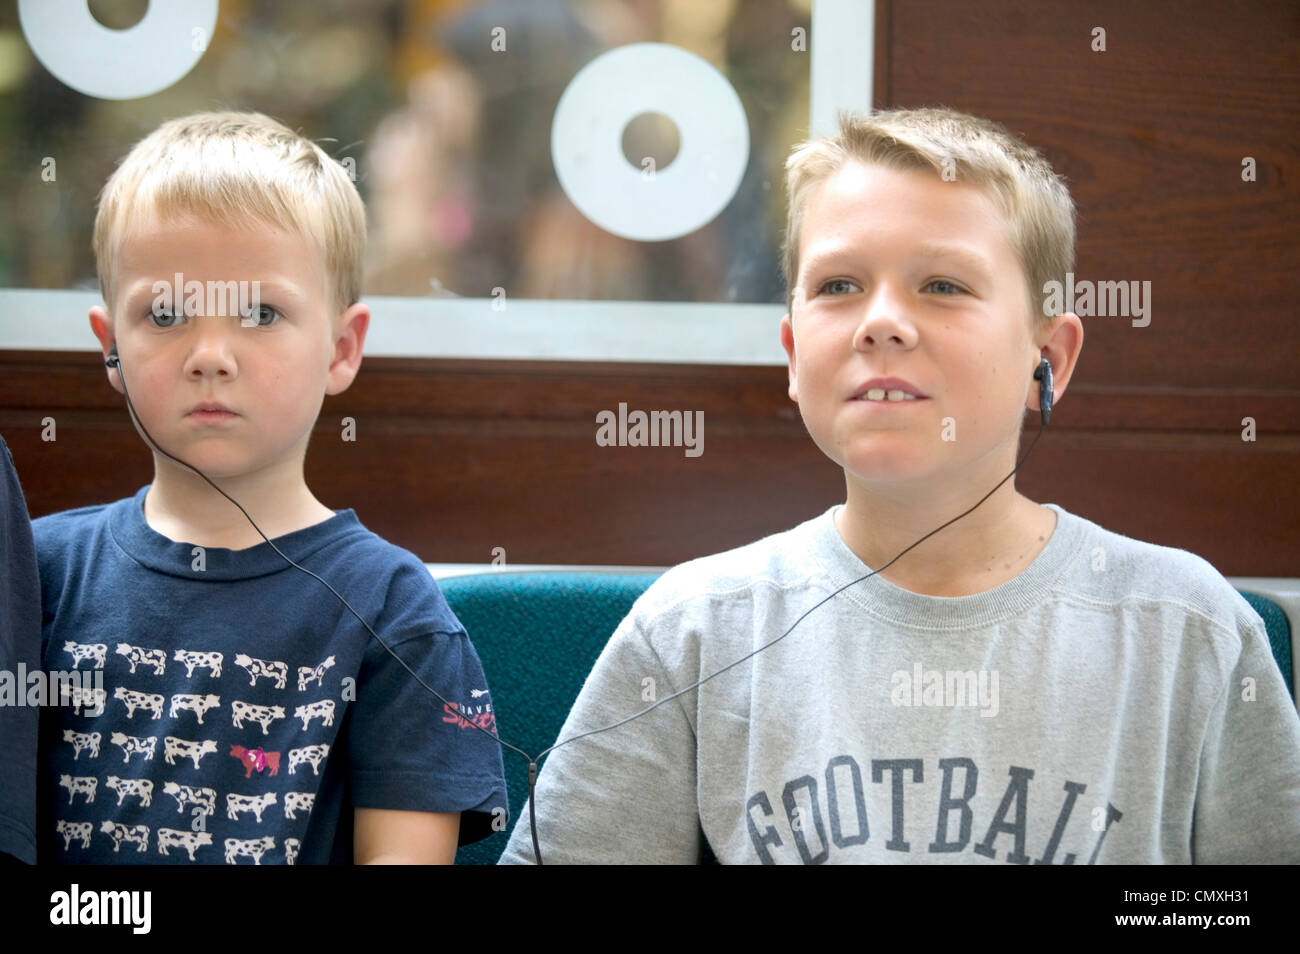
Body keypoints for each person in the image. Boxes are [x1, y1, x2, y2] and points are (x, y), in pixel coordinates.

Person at [499, 108, 1300, 864]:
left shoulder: (1190, 630)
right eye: (838, 286)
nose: (881, 321)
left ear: (1047, 359)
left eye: (943, 286)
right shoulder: (693, 631)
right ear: (790, 352)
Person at [34, 111, 507, 864]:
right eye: (165, 313)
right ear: (110, 347)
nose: (211, 355)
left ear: (342, 348)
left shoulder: (391, 610)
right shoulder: (35, 576)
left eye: (261, 313)